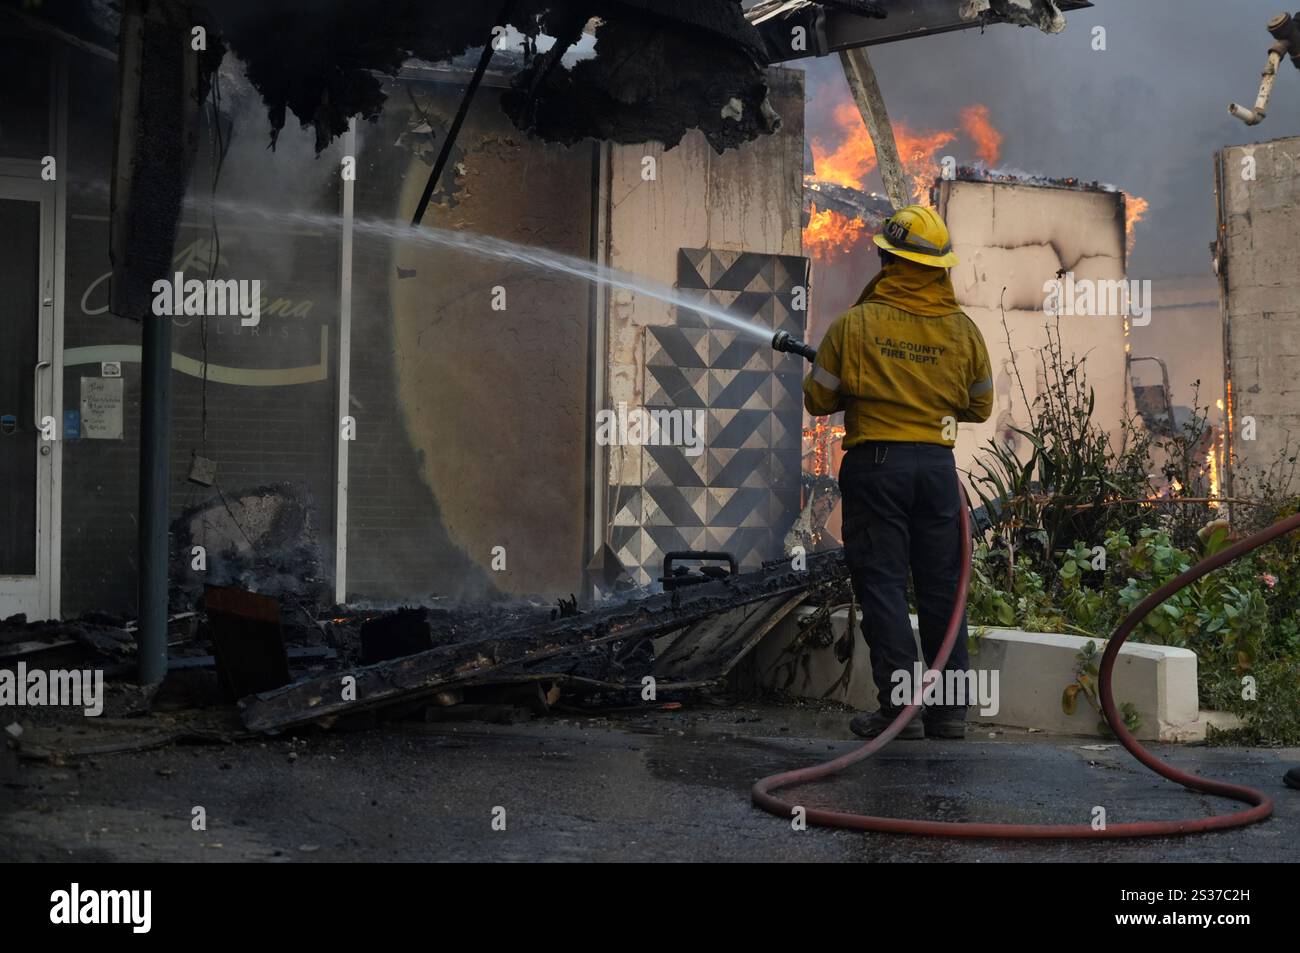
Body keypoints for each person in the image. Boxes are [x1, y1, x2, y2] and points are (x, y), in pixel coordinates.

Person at [803, 205, 992, 740]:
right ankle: (949, 712)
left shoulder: (854, 326)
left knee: (883, 583)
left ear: (888, 260)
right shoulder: (964, 332)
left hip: (877, 465)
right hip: (937, 469)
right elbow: (979, 408)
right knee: (941, 587)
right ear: (940, 269)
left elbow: (818, 399)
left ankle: (900, 710)